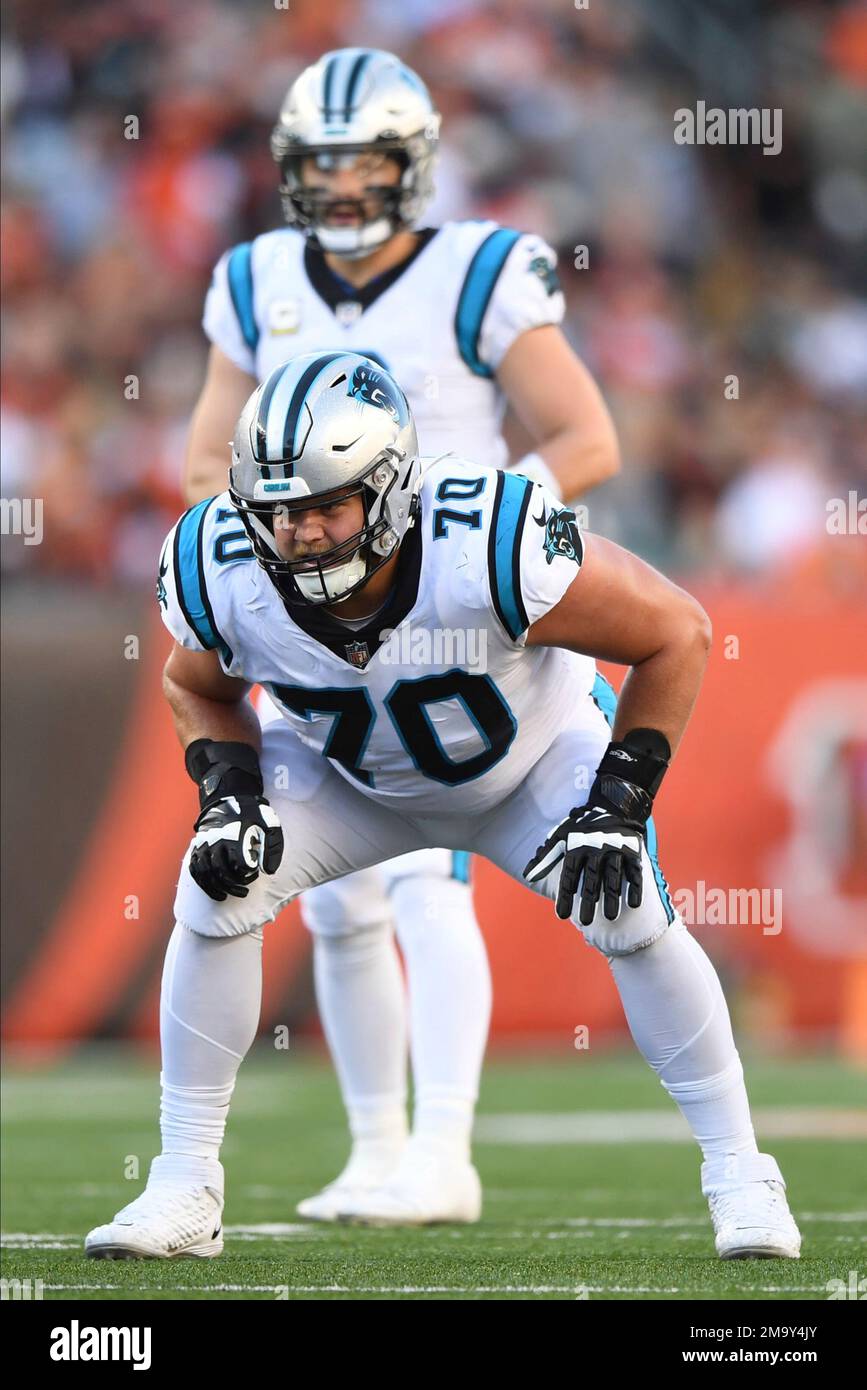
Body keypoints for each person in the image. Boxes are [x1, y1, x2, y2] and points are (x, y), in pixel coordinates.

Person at [86, 351, 800, 1260]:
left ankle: (741, 1174)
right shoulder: (219, 559)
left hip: (526, 763)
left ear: (386, 490)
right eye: (277, 511)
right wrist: (227, 794)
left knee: (629, 910)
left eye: (322, 507)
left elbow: (677, 631)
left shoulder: (485, 533)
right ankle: (184, 1185)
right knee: (216, 883)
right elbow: (195, 685)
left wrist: (618, 803)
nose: (298, 534)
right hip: (346, 779)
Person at [183, 47, 620, 1222]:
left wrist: (479, 549)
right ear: (286, 168)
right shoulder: (257, 276)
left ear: (411, 162)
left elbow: (586, 437)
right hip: (315, 608)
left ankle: (444, 1148)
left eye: (362, 158)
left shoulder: (479, 269)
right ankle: (378, 1149)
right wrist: (265, 569)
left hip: (447, 608)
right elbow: (202, 455)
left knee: (429, 875)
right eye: (317, 162)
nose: (337, 184)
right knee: (336, 897)